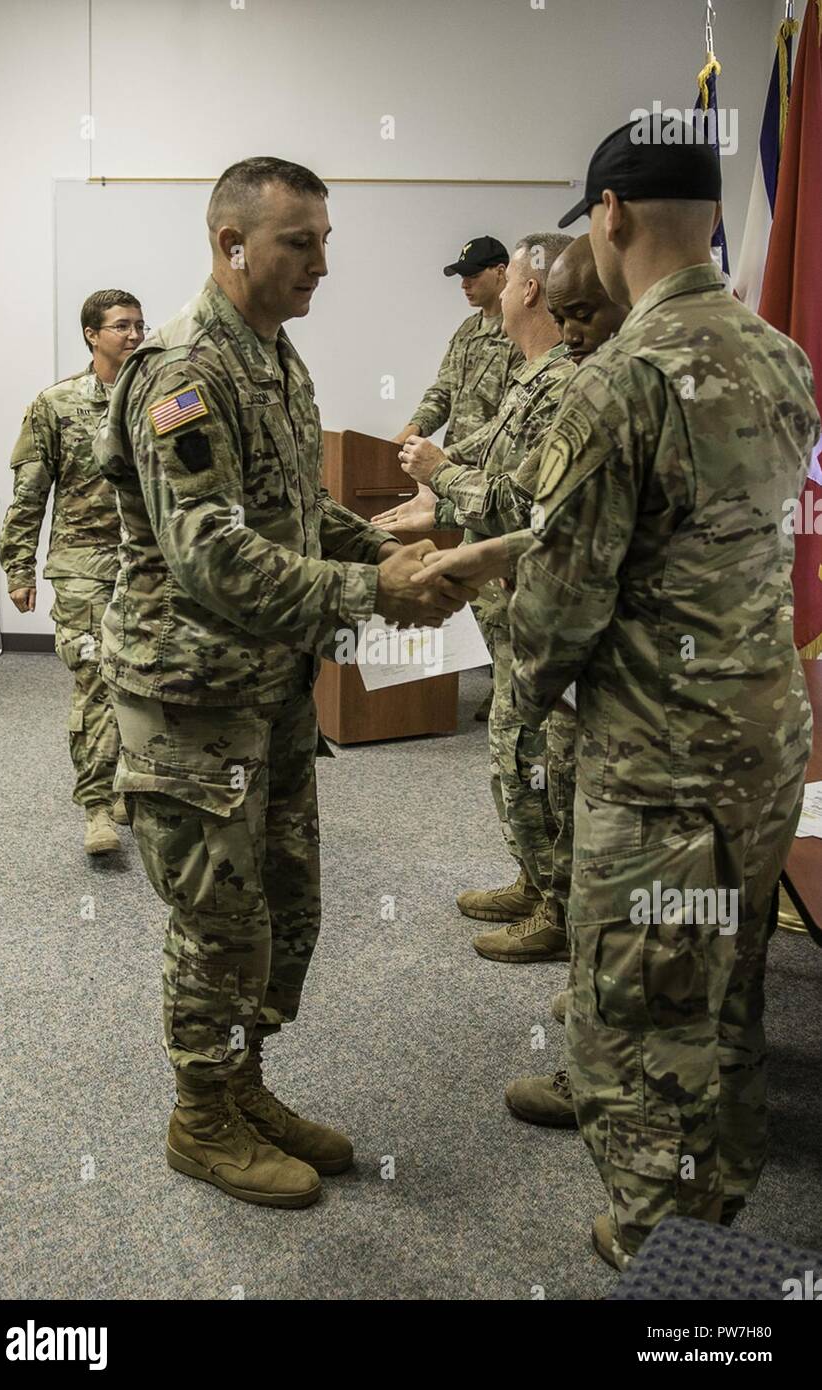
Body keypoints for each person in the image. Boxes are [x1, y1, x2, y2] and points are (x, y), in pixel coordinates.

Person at [411, 120, 819, 1269]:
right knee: (726, 973)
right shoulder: (777, 355)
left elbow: (557, 614)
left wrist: (520, 678)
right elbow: (693, 539)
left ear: (608, 216)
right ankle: (720, 1178)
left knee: (640, 1006)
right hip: (763, 737)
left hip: (656, 763)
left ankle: (664, 1244)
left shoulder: (622, 382)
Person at [94, 156, 474, 1211]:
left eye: (324, 239)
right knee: (218, 919)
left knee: (282, 904)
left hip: (266, 683)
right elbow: (208, 551)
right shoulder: (180, 370)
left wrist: (403, 552)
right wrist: (371, 592)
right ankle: (199, 1116)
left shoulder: (273, 356)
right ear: (230, 245)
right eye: (297, 242)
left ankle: (242, 1080)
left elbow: (291, 515)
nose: (320, 262)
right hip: (190, 691)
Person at [379, 233, 575, 962]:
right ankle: (539, 878)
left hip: (545, 594)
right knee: (519, 741)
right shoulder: (522, 365)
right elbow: (481, 440)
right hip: (509, 568)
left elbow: (513, 497)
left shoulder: (565, 379)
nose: (472, 288)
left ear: (522, 286)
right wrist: (432, 482)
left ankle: (558, 900)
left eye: (495, 276)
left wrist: (441, 478)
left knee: (540, 747)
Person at [0, 290, 146, 855]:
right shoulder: (55, 405)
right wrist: (19, 566)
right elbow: (29, 494)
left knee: (143, 678)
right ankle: (96, 806)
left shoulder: (159, 399)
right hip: (83, 563)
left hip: (150, 565)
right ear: (92, 334)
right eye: (120, 327)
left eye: (139, 325)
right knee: (96, 678)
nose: (133, 335)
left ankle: (132, 787)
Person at [392, 236, 522, 450]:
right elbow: (443, 392)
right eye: (463, 277)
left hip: (492, 471)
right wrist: (410, 432)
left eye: (473, 275)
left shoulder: (518, 332)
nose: (464, 284)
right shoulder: (467, 331)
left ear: (500, 272)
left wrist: (447, 456)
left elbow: (510, 419)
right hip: (453, 472)